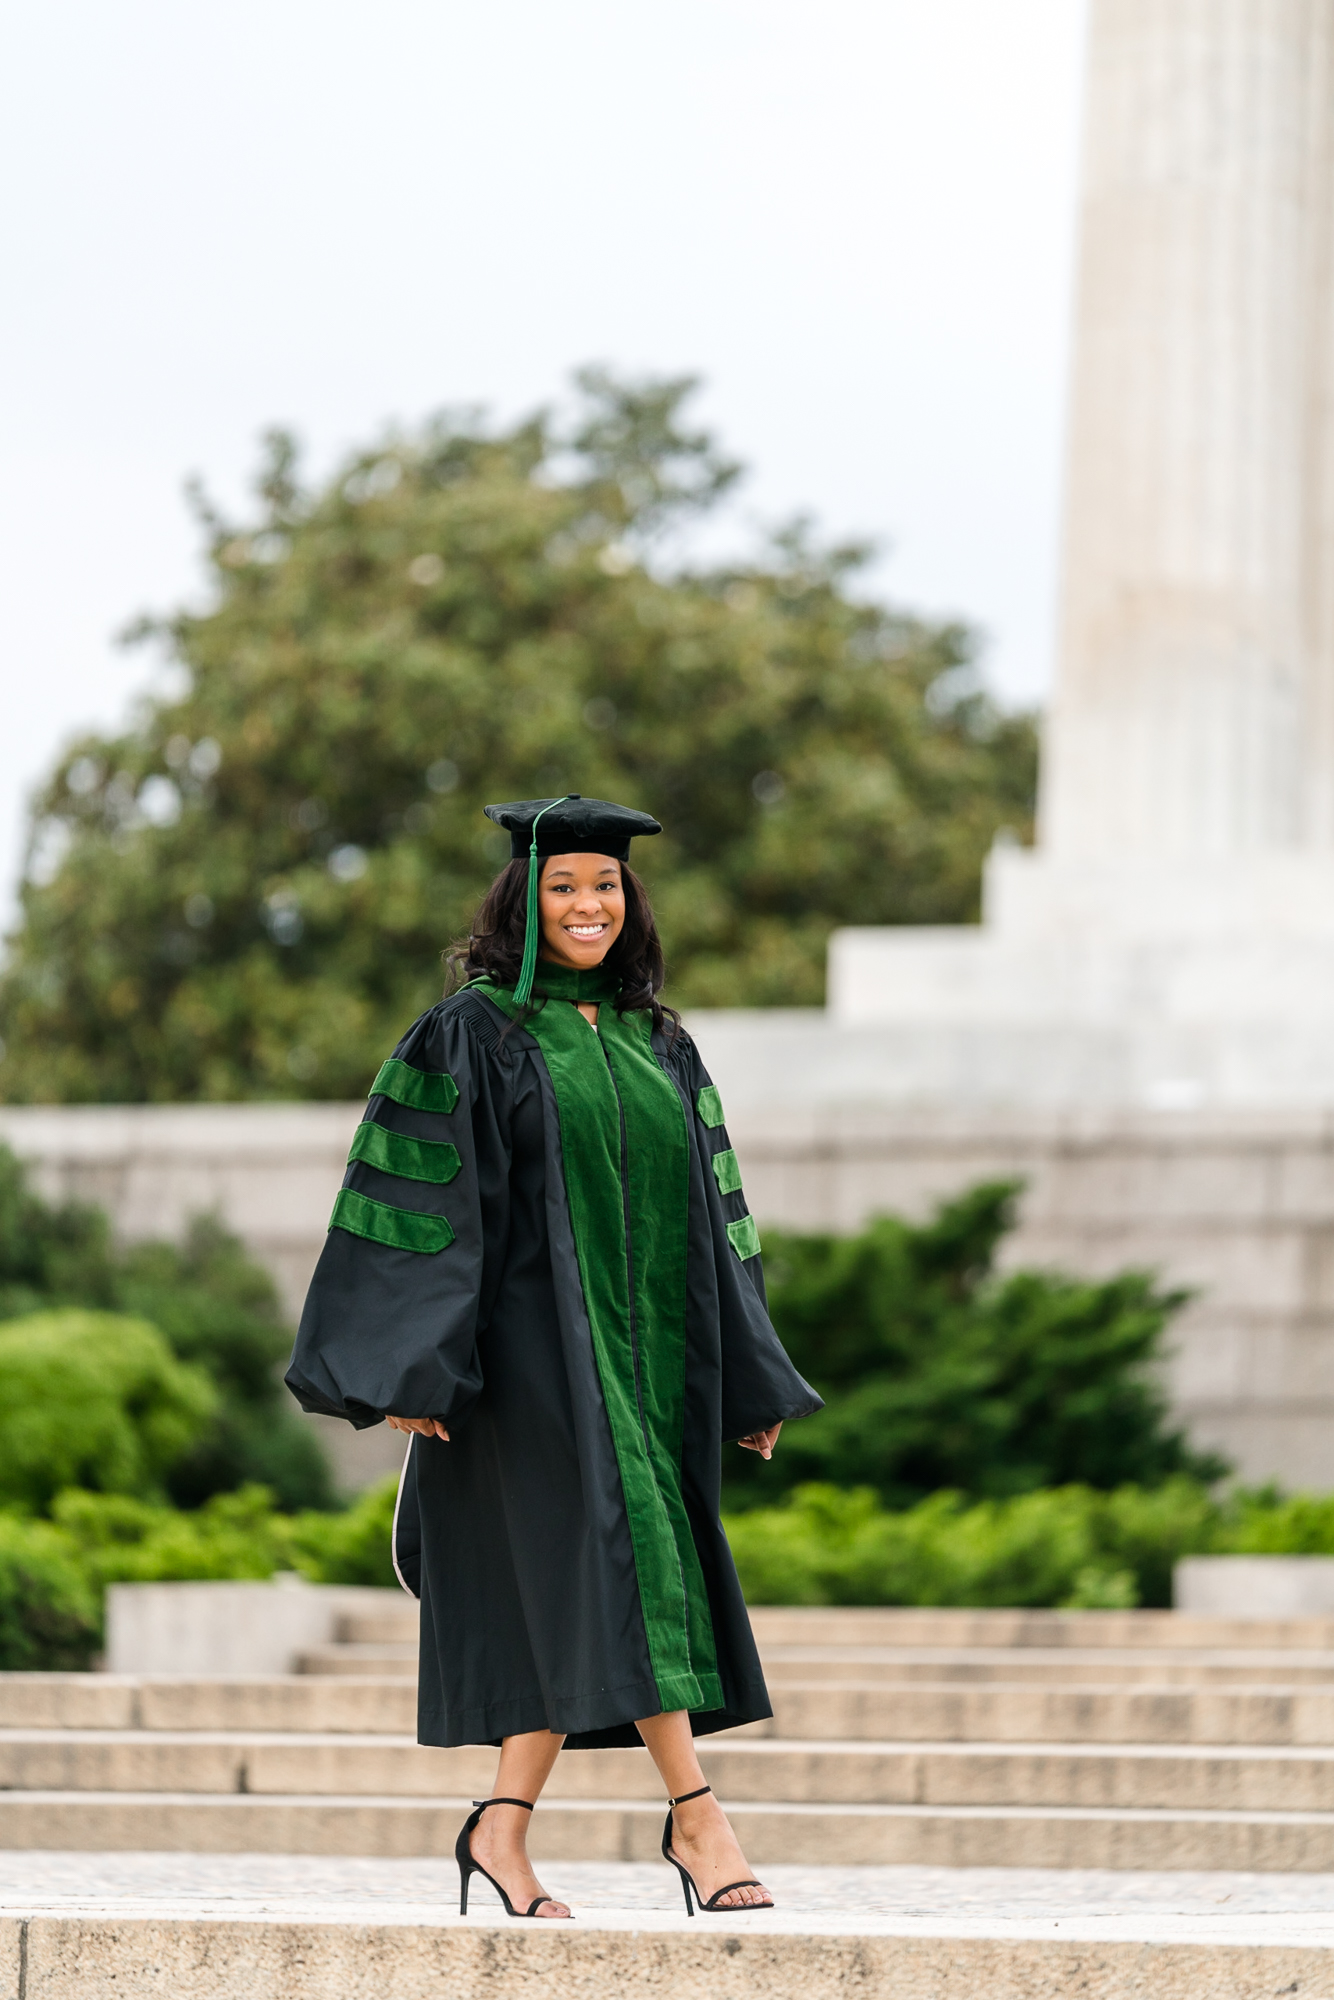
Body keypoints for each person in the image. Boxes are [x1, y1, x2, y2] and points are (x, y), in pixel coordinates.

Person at [287, 793, 821, 1919]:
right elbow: (415, 1200)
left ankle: (500, 1830)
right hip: (521, 1370)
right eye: (565, 885)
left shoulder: (659, 1042)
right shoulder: (470, 1032)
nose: (589, 904)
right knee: (615, 1563)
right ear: (522, 899)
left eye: (606, 886)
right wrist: (411, 1366)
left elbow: (719, 1214)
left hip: (649, 1368)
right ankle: (697, 1815)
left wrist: (750, 1374)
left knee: (582, 1584)